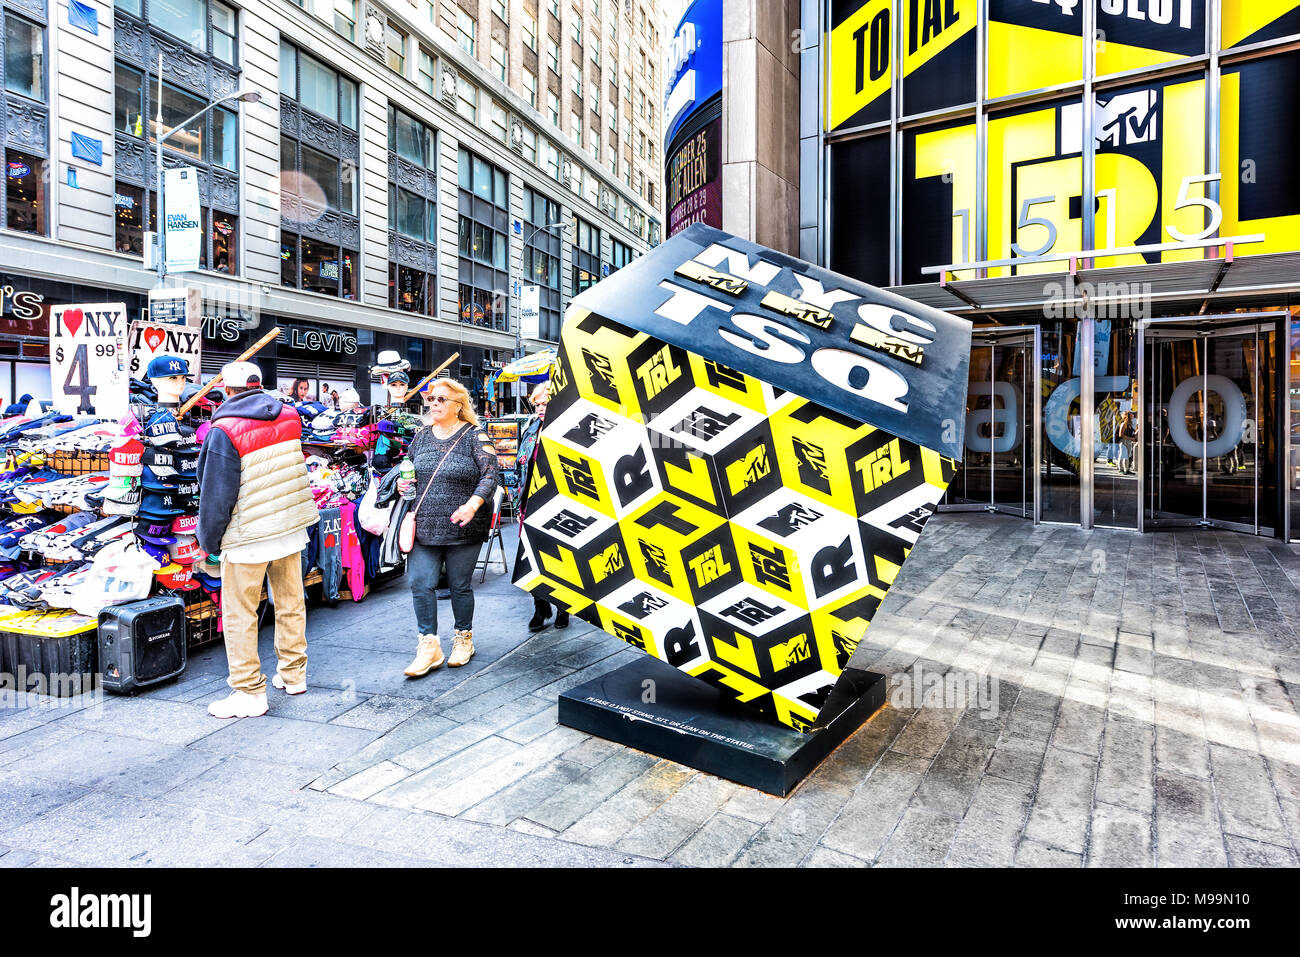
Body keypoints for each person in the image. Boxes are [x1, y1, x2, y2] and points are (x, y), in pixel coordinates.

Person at [197, 361, 321, 718]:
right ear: (259, 385)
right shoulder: (290, 416)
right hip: (290, 526)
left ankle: (249, 691)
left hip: (249, 534)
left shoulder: (224, 429)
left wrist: (209, 541)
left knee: (240, 612)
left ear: (227, 390)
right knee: (290, 602)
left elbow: (217, 495)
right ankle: (294, 674)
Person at [399, 377, 498, 677]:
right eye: (431, 399)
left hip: (463, 525)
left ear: (458, 405)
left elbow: (491, 474)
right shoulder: (421, 436)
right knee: (420, 583)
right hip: (425, 522)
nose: (434, 404)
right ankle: (429, 645)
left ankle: (463, 639)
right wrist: (404, 484)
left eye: (441, 399)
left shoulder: (475, 436)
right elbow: (408, 469)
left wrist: (473, 504)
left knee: (459, 586)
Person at [517, 381, 567, 632]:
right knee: (531, 558)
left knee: (560, 557)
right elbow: (521, 467)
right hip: (532, 501)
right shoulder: (530, 428)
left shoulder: (567, 427)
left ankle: (562, 608)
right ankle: (540, 607)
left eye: (544, 402)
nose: (539, 407)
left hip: (560, 500)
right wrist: (518, 505)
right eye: (537, 403)